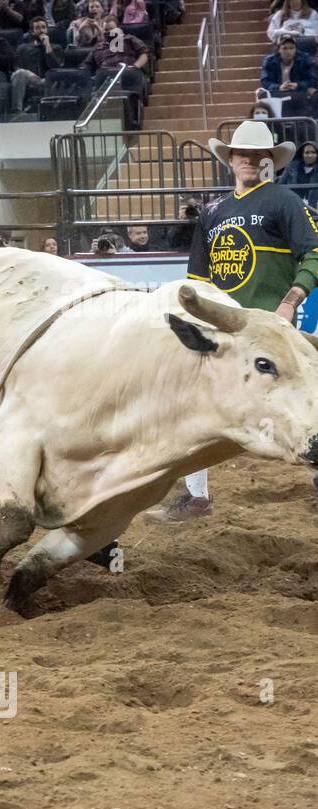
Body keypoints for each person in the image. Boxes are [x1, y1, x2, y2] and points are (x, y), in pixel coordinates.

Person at [160, 120, 318, 521]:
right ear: (230, 159)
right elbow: (197, 278)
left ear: (269, 161)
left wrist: (291, 299)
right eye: (241, 152)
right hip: (224, 329)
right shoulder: (212, 210)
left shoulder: (284, 201)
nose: (248, 159)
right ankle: (197, 496)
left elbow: (314, 253)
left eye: (257, 154)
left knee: (299, 399)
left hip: (271, 325)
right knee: (193, 400)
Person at [12, 17, 62, 111]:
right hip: (27, 79)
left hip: (47, 80)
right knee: (20, 73)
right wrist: (29, 74)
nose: (41, 30)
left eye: (43, 27)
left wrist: (47, 46)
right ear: (32, 31)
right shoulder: (22, 48)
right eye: (38, 28)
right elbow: (16, 67)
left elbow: (56, 69)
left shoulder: (56, 48)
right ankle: (16, 110)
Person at [261, 36, 316, 116]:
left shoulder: (304, 59)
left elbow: (311, 79)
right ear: (279, 50)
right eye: (285, 48)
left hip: (298, 91)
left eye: (292, 48)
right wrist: (279, 87)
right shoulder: (269, 60)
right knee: (263, 95)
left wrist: (298, 84)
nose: (288, 51)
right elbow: (265, 81)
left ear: (296, 49)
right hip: (277, 92)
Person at [279, 139, 318, 204]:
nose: (310, 155)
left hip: (314, 208)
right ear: (302, 154)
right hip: (293, 205)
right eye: (307, 152)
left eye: (313, 152)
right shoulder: (291, 169)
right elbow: (280, 186)